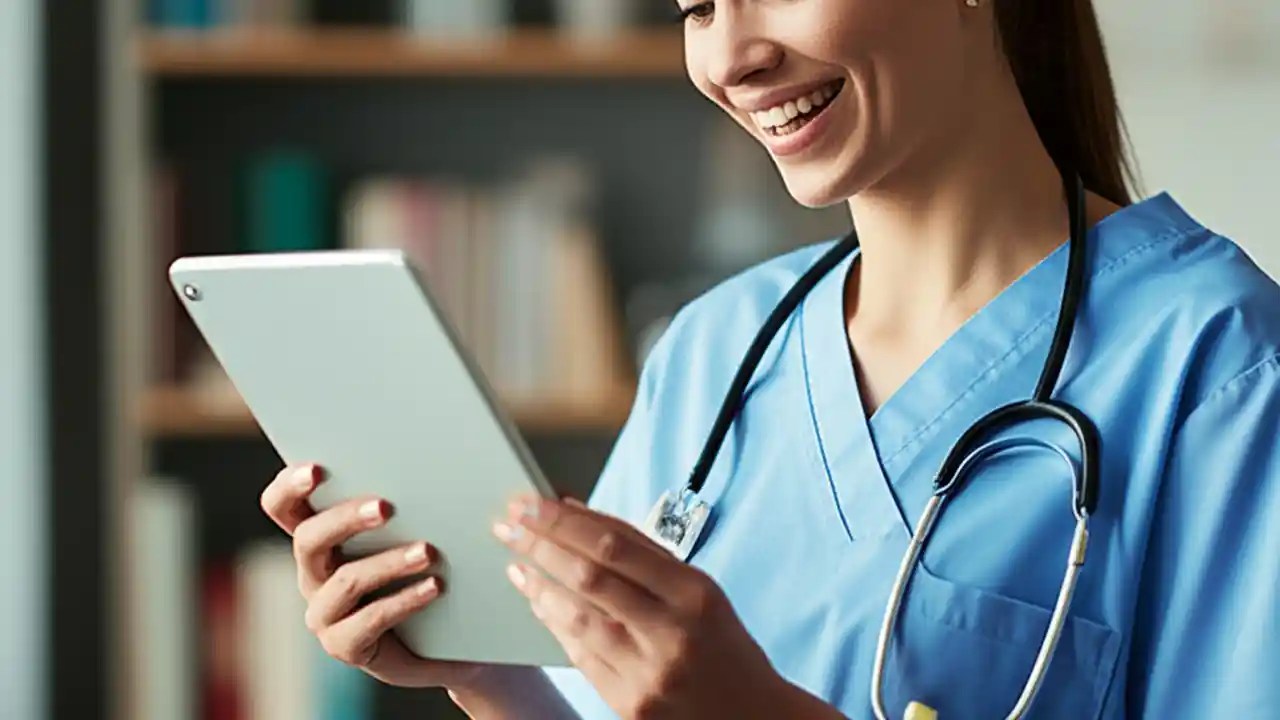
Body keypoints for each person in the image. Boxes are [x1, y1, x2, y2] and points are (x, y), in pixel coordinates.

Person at [259, 0, 1280, 717]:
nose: (732, 56)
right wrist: (483, 671)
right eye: (697, 5)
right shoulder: (714, 350)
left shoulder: (1215, 363)